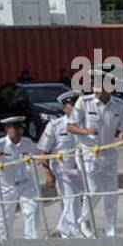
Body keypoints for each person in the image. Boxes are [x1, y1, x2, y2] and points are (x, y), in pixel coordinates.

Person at [68, 69, 123, 237]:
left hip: (109, 153)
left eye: (101, 86)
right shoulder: (84, 101)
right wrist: (85, 131)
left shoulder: (119, 104)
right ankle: (83, 221)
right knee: (95, 190)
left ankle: (111, 230)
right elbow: (70, 126)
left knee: (111, 194)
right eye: (95, 85)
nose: (96, 89)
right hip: (88, 154)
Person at [0, 116, 47, 240]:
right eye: (14, 128)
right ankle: (7, 245)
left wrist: (46, 164)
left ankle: (31, 242)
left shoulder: (27, 143)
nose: (18, 131)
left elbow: (38, 155)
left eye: (20, 128)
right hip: (6, 185)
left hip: (25, 182)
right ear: (7, 129)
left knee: (32, 210)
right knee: (5, 217)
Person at [38, 91, 87, 237]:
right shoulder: (55, 125)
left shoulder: (86, 124)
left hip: (83, 169)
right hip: (63, 170)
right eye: (72, 105)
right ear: (64, 108)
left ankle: (66, 228)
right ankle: (72, 232)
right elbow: (43, 151)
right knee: (71, 199)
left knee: (84, 199)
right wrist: (47, 174)